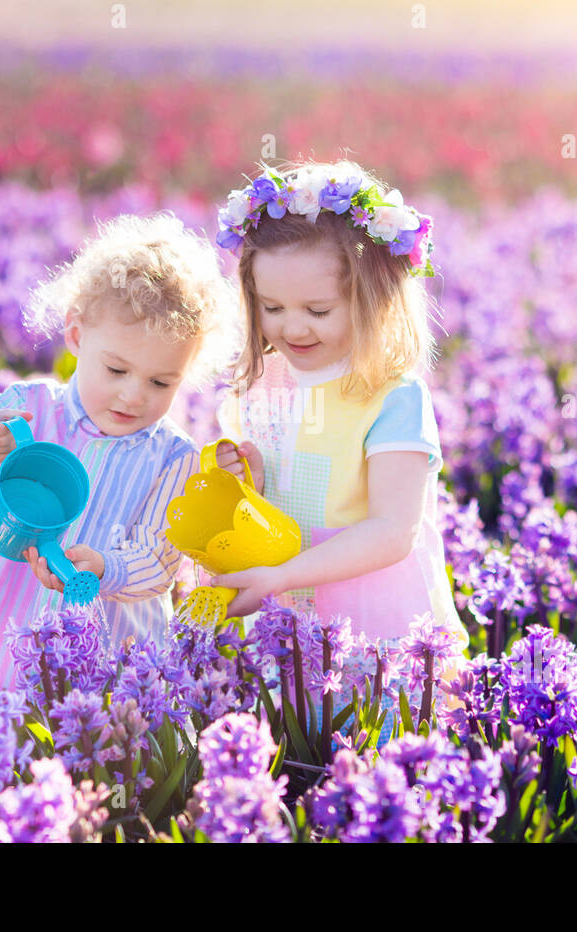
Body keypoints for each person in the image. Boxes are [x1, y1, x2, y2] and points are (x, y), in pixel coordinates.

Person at [0, 212, 239, 692]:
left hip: (112, 662)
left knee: (100, 749)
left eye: (160, 382)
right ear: (76, 334)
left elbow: (161, 560)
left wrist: (109, 568)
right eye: (116, 370)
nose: (133, 396)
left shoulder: (175, 458)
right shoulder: (28, 410)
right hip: (6, 632)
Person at [207, 159, 470, 744]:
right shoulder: (263, 384)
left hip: (373, 618)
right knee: (297, 755)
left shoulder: (393, 396)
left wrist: (278, 575)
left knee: (375, 752)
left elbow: (390, 532)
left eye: (317, 311)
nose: (291, 328)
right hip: (284, 609)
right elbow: (273, 491)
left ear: (374, 297)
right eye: (270, 308)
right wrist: (244, 477)